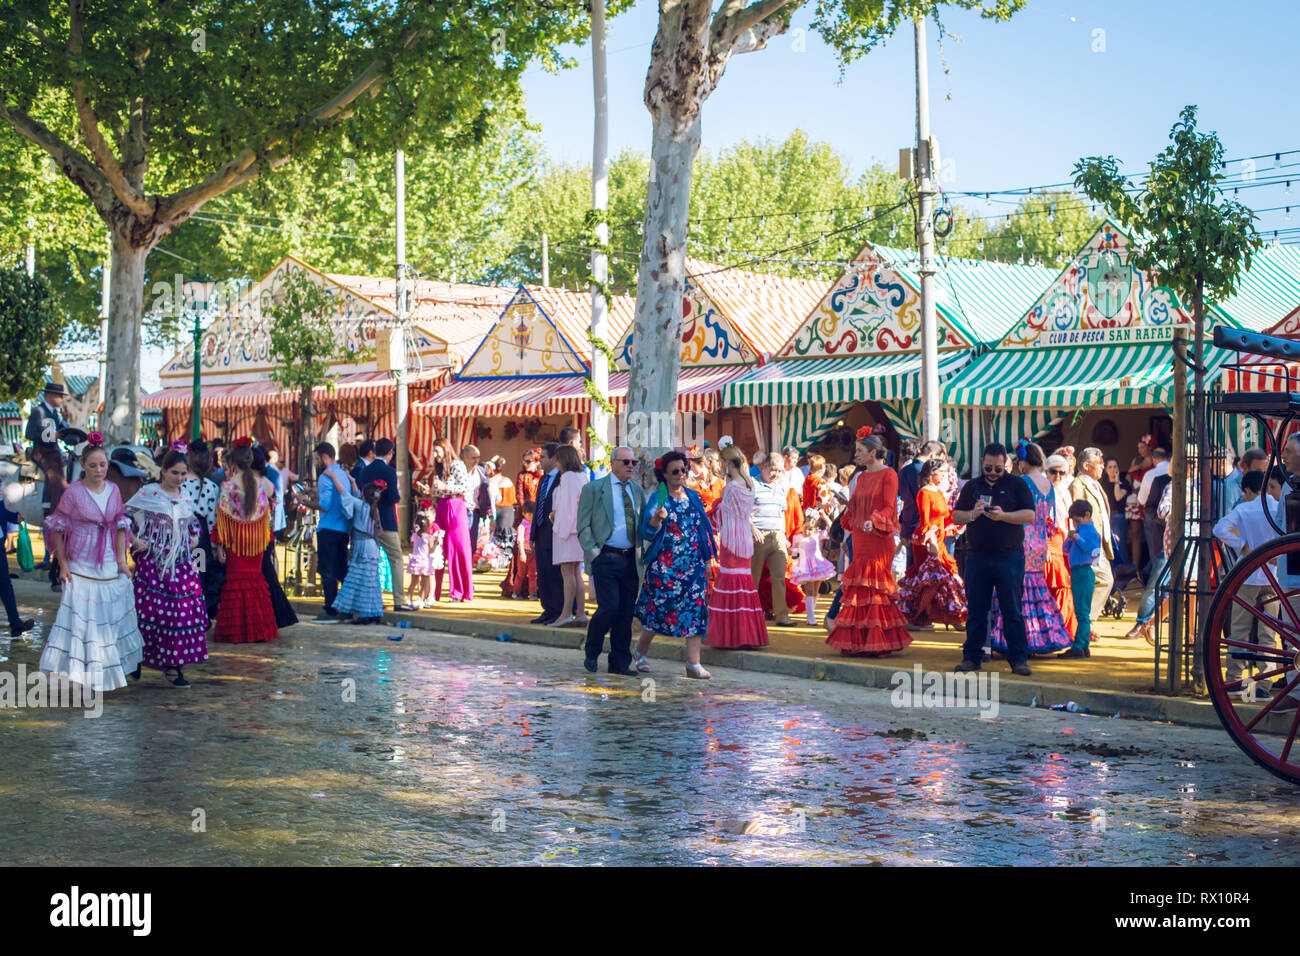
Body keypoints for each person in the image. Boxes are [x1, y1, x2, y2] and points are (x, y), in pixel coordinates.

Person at [39, 434, 144, 691]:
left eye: (104, 464)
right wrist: (63, 564)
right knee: (82, 619)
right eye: (94, 465)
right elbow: (59, 528)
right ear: (84, 466)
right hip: (80, 559)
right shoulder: (74, 492)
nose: (99, 469)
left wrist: (122, 562)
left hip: (107, 558)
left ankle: (105, 673)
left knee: (107, 615)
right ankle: (79, 675)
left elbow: (120, 526)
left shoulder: (114, 490)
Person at [952, 442, 1036, 676]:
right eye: (988, 468)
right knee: (977, 610)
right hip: (977, 555)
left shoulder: (1016, 484)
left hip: (1008, 556)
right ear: (983, 463)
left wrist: (1003, 516)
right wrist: (973, 513)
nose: (993, 473)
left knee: (1012, 610)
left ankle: (1018, 659)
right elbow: (956, 516)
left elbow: (1029, 515)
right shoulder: (972, 486)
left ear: (1005, 465)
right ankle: (972, 657)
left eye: (998, 469)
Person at [125, 448, 208, 686]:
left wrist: (193, 538)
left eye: (183, 473)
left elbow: (193, 523)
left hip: (181, 563)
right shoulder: (147, 493)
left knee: (181, 615)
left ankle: (173, 668)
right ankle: (135, 658)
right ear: (163, 470)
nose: (180, 478)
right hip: (152, 562)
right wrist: (135, 540)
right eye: (175, 473)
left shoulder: (185, 495)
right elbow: (123, 517)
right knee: (147, 613)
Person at [824, 433, 911, 657]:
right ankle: (859, 640)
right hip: (860, 537)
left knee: (875, 586)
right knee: (859, 586)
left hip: (878, 537)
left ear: (873, 453)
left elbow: (889, 507)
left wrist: (873, 520)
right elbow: (854, 506)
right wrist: (848, 506)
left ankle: (876, 640)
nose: (856, 455)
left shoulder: (889, 474)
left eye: (860, 451)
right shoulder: (860, 477)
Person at [632, 450, 716, 678]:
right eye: (676, 471)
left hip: (694, 566)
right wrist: (657, 518)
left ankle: (693, 663)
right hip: (665, 567)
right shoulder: (659, 497)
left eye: (684, 469)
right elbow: (647, 532)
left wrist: (707, 559)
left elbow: (702, 530)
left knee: (695, 612)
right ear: (665, 475)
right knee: (658, 611)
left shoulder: (693, 496)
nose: (682, 474)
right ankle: (639, 652)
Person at [990, 442, 1073, 657]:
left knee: (1017, 590)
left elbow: (1013, 510)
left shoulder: (1023, 481)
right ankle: (1041, 636)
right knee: (1036, 588)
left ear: (1024, 462)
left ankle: (1019, 639)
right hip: (1041, 542)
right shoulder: (1048, 484)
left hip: (1021, 539)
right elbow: (1050, 519)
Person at [576, 444, 645, 673]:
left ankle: (619, 663)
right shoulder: (595, 489)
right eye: (626, 462)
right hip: (606, 556)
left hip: (629, 559)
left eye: (633, 462)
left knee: (626, 612)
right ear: (613, 463)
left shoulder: (636, 490)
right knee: (609, 607)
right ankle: (592, 650)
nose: (630, 466)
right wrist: (594, 552)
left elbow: (642, 524)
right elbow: (583, 525)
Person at [1212, 470, 1279, 698]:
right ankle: (1264, 684)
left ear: (1248, 490)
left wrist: (1242, 546)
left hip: (1248, 573)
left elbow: (1219, 528)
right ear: (1267, 487)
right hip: (1274, 574)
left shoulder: (1244, 508)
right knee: (1268, 633)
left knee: (1239, 631)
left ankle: (1234, 680)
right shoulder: (1276, 506)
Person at [705, 438, 769, 649]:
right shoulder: (750, 484)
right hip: (743, 537)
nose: (721, 466)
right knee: (744, 583)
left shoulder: (731, 487)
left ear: (728, 463)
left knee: (730, 582)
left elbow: (725, 514)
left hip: (732, 538)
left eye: (722, 462)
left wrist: (716, 509)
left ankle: (730, 636)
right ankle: (747, 634)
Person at [212, 440, 278, 644]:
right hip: (256, 542)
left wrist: (220, 546)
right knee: (255, 581)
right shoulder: (262, 486)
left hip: (236, 542)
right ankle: (258, 629)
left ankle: (237, 631)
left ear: (233, 463)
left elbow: (221, 519)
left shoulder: (228, 486)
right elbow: (267, 515)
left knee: (235, 584)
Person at [896, 457, 967, 629]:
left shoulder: (937, 491)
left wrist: (961, 519)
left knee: (942, 578)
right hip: (928, 541)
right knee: (935, 578)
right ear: (932, 473)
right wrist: (933, 540)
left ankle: (951, 615)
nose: (944, 475)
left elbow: (945, 516)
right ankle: (946, 615)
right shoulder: (924, 492)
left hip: (938, 538)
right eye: (941, 472)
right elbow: (925, 521)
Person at [360, 437, 413, 610]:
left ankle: (373, 599)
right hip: (386, 521)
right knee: (396, 559)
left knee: (371, 561)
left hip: (367, 520)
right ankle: (399, 600)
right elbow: (394, 498)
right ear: (390, 453)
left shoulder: (365, 471)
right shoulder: (389, 472)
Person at [251, 445, 298, 630]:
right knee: (266, 573)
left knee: (266, 573)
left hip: (263, 530)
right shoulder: (265, 477)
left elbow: (271, 500)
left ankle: (278, 615)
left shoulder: (265, 478)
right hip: (264, 530)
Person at [1071, 447, 1116, 632]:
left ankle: (1086, 624)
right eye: (1099, 463)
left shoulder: (1095, 484)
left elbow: (1101, 513)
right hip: (1087, 543)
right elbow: (1076, 514)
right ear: (1086, 465)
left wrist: (1109, 533)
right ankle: (1086, 624)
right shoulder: (1078, 484)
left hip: (1099, 541)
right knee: (1103, 580)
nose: (1103, 466)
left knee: (1103, 581)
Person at [750, 452, 798, 627]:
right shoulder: (752, 484)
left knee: (780, 578)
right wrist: (752, 530)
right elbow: (744, 512)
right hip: (758, 535)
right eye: (773, 469)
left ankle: (782, 615)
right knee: (752, 578)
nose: (776, 474)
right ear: (764, 466)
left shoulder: (781, 487)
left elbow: (781, 514)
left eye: (779, 471)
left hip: (777, 535)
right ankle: (749, 614)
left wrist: (784, 536)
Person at [547, 444, 590, 627]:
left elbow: (567, 508)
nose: (555, 462)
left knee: (568, 573)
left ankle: (566, 613)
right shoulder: (581, 476)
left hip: (568, 530)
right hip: (577, 530)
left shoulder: (568, 477)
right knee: (575, 573)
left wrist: (557, 522)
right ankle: (579, 612)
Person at [333, 481, 388, 625]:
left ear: (364, 495)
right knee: (371, 581)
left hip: (362, 547)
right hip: (372, 547)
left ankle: (360, 613)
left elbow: (344, 494)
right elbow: (356, 495)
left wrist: (333, 476)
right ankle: (372, 612)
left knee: (357, 578)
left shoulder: (361, 505)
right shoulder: (373, 508)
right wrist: (352, 482)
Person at [430, 437, 473, 602]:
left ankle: (459, 591)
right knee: (438, 546)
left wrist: (445, 487)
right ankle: (434, 590)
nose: (435, 455)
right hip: (443, 505)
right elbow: (441, 491)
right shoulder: (441, 467)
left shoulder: (458, 465)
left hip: (456, 507)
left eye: (437, 451)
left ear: (445, 450)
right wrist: (433, 490)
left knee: (457, 549)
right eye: (434, 451)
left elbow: (465, 486)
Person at [313, 442, 352, 621]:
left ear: (324, 457)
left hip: (328, 527)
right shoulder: (343, 474)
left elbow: (325, 505)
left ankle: (331, 607)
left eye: (316, 458)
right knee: (341, 568)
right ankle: (346, 606)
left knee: (327, 569)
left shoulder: (325, 476)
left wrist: (305, 501)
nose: (315, 462)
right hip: (343, 527)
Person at [1059, 499, 1103, 658]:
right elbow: (1065, 549)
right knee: (1082, 612)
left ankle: (1079, 646)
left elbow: (1093, 551)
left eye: (1078, 520)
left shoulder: (1090, 532)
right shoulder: (1082, 531)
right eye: (1074, 521)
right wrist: (1071, 538)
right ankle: (1083, 646)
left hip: (1083, 571)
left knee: (1082, 613)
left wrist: (1076, 538)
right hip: (1079, 572)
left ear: (1087, 515)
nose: (1076, 524)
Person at [1043, 454, 1079, 640]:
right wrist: (1043, 546)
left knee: (1064, 588)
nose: (1057, 476)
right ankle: (1054, 632)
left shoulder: (1065, 491)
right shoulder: (1042, 491)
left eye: (1062, 472)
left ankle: (1062, 631)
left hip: (1065, 545)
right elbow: (1038, 521)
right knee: (1056, 587)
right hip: (1049, 543)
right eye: (1053, 472)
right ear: (1046, 471)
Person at [530, 442, 563, 624]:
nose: (539, 460)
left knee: (555, 574)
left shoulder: (562, 478)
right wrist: (533, 533)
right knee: (542, 572)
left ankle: (558, 609)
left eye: (543, 457)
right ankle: (548, 609)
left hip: (555, 531)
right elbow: (538, 507)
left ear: (553, 458)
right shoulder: (543, 479)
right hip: (541, 531)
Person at [791, 509, 837, 625]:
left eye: (810, 529)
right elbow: (793, 551)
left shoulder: (818, 535)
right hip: (805, 566)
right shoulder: (798, 537)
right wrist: (794, 551)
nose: (807, 531)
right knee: (809, 590)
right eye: (805, 528)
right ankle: (810, 616)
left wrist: (825, 517)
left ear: (815, 529)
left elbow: (831, 529)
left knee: (816, 590)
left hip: (818, 564)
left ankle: (811, 612)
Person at [1138, 447, 1172, 580]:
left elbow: (1141, 500)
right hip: (1173, 520)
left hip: (1155, 519)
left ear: (1154, 459)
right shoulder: (1175, 472)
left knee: (1156, 553)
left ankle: (1155, 580)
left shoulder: (1151, 474)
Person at [1222, 447, 1268, 516]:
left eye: (1265, 472)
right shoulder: (1229, 487)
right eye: (1258, 471)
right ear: (1245, 467)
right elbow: (1227, 518)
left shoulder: (1267, 487)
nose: (1262, 475)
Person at [406, 512, 439, 608]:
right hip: (425, 562)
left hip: (416, 561)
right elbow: (431, 550)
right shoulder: (429, 538)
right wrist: (436, 541)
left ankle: (409, 599)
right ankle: (421, 600)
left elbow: (413, 546)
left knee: (413, 582)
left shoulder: (414, 536)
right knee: (425, 583)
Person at [1102, 457, 1130, 567]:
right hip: (1106, 517)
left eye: (1115, 466)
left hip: (1118, 516)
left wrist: (1117, 481)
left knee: (1120, 544)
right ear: (1105, 469)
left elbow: (1118, 497)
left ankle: (1123, 568)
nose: (1113, 469)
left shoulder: (1123, 483)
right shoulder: (1102, 483)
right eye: (1110, 467)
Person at [461, 444, 489, 554]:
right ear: (465, 457)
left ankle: (468, 566)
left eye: (478, 457)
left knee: (471, 543)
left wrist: (487, 511)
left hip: (475, 511)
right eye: (473, 458)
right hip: (461, 509)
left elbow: (486, 493)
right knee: (461, 541)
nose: (476, 460)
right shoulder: (459, 471)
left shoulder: (482, 471)